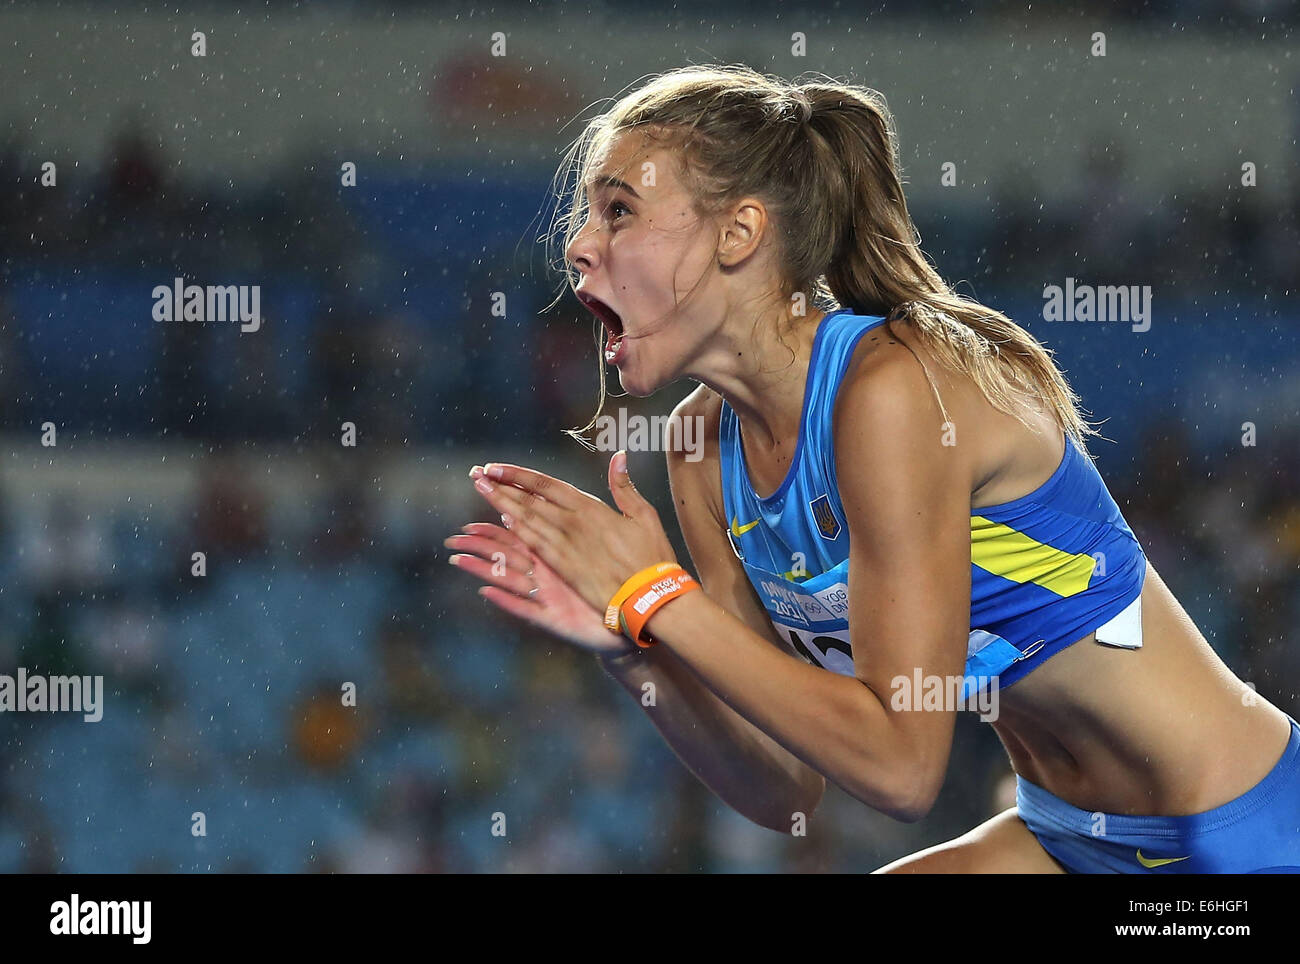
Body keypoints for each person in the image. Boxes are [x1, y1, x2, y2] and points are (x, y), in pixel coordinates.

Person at [444, 65, 1298, 873]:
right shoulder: (699, 447)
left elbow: (902, 768)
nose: (579, 246)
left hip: (1243, 829)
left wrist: (658, 598)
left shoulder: (890, 389)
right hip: (1068, 837)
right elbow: (787, 788)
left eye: (619, 211)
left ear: (739, 233)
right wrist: (633, 648)